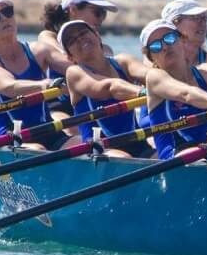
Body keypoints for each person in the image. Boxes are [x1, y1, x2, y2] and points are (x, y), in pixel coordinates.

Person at [0, 0, 70, 151]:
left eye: (7, 12)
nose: (4, 18)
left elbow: (74, 69)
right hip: (13, 136)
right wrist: (46, 85)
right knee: (38, 150)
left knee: (82, 143)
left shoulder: (38, 50)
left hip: (48, 131)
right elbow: (9, 87)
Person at [60, 19, 154, 159]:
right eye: (72, 40)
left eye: (83, 33)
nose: (79, 38)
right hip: (98, 147)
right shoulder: (74, 73)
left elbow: (152, 76)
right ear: (70, 56)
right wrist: (146, 93)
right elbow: (109, 88)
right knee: (124, 159)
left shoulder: (123, 62)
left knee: (167, 159)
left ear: (98, 36)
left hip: (138, 144)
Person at [138, 19, 207, 160]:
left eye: (169, 38)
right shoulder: (154, 78)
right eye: (156, 46)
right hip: (174, 157)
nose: (165, 47)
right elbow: (186, 94)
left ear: (182, 41)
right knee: (204, 156)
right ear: (152, 58)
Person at [160, 0, 207, 71]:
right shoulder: (158, 65)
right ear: (174, 23)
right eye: (195, 17)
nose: (203, 23)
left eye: (205, 18)